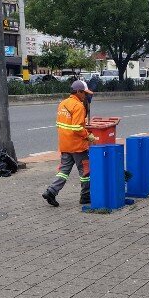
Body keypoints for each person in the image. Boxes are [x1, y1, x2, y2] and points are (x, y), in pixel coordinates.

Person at [42, 79, 96, 207]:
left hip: (65, 144)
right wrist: (88, 136)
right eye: (84, 93)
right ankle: (85, 197)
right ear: (78, 92)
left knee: (64, 171)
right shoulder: (78, 106)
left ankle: (51, 191)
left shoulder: (63, 103)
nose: (85, 96)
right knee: (85, 172)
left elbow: (60, 124)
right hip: (78, 146)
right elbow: (77, 128)